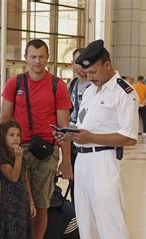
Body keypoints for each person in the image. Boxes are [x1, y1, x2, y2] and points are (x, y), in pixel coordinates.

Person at [59, 39, 138, 239]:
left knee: (110, 222)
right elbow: (83, 125)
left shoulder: (124, 92)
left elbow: (129, 137)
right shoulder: (92, 91)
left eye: (93, 72)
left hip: (104, 162)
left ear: (107, 65)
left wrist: (92, 136)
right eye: (86, 73)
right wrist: (69, 136)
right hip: (83, 160)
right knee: (86, 219)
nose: (89, 77)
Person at [0, 39, 72, 239]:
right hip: (16, 149)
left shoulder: (57, 86)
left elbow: (64, 127)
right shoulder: (14, 83)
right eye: (33, 56)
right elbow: (4, 119)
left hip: (45, 152)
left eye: (41, 57)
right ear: (25, 57)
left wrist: (66, 160)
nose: (37, 61)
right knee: (12, 203)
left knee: (41, 204)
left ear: (47, 58)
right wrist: (0, 153)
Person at [0, 119, 37, 239]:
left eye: (18, 135)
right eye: (11, 135)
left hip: (22, 202)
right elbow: (13, 176)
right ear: (3, 137)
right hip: (8, 204)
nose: (15, 138)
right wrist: (18, 159)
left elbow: (25, 180)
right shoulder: (1, 158)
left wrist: (31, 202)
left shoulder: (20, 155)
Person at [67, 47, 91, 203]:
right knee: (74, 183)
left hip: (89, 139)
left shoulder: (96, 85)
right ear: (72, 63)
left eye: (84, 63)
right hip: (72, 140)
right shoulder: (71, 85)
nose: (81, 67)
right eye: (78, 63)